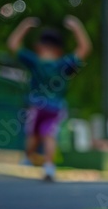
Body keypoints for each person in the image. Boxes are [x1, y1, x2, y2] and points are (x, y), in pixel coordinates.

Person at [7, 16, 92, 182]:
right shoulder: (63, 64)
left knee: (33, 134)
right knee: (49, 136)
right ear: (59, 50)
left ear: (38, 47)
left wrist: (24, 26)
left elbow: (13, 45)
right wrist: (77, 26)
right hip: (56, 107)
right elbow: (85, 48)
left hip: (36, 105)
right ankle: (49, 167)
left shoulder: (34, 61)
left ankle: (27, 157)